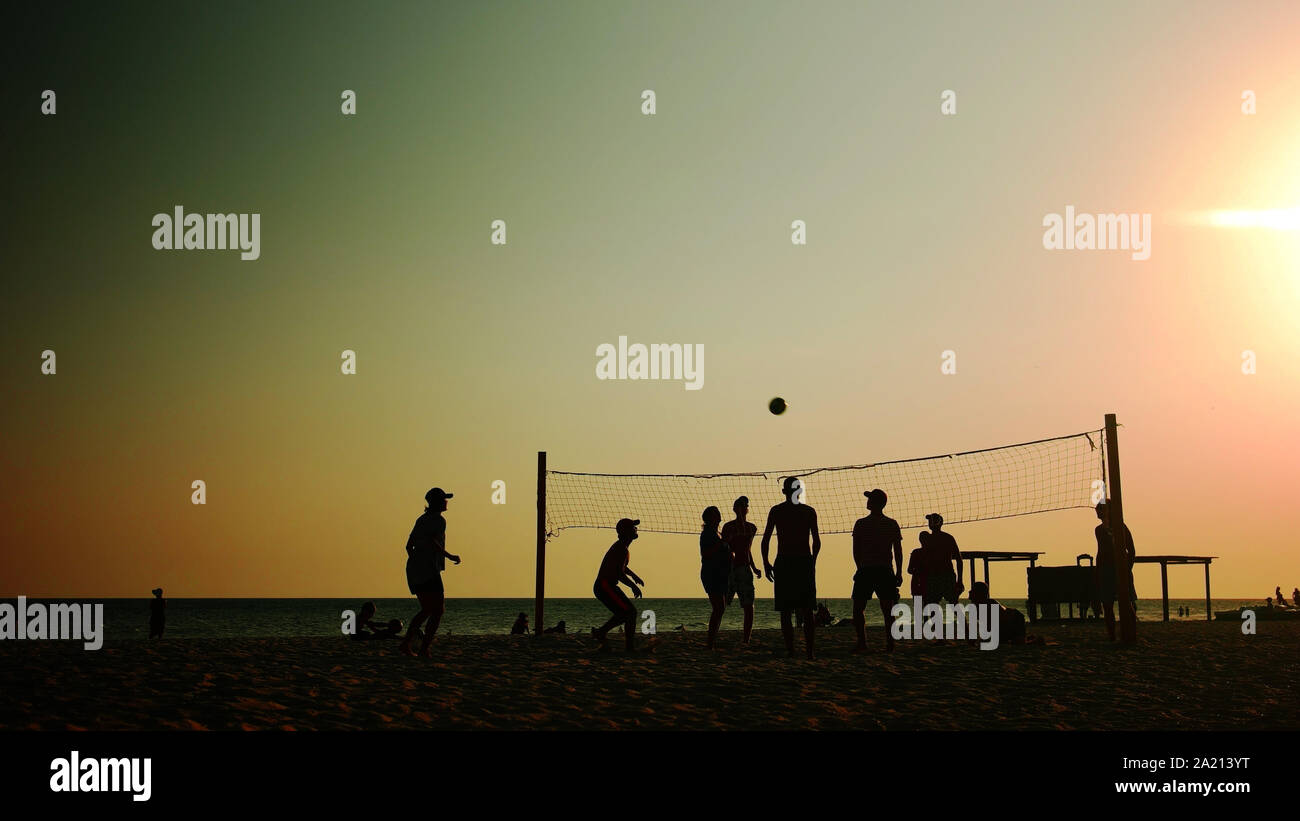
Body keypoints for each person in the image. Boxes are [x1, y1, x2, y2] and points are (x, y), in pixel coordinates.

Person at [761, 476, 821, 659]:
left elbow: (765, 540)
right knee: (805, 609)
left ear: (784, 491)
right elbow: (817, 541)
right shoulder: (808, 511)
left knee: (788, 610)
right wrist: (813, 561)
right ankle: (808, 652)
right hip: (800, 561)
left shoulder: (778, 511)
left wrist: (765, 562)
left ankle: (792, 650)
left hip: (788, 561)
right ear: (799, 491)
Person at [400, 487, 461, 658]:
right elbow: (432, 541)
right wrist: (448, 555)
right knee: (437, 610)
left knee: (427, 609)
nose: (446, 502)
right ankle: (423, 648)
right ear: (437, 502)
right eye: (444, 499)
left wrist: (416, 561)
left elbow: (408, 545)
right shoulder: (438, 520)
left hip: (415, 569)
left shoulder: (422, 519)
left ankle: (406, 644)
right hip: (428, 570)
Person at [851, 489, 903, 653]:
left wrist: (859, 568)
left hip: (869, 569)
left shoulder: (861, 523)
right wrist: (899, 572)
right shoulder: (891, 524)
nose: (867, 501)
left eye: (870, 499)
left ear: (875, 503)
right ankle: (889, 643)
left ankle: (863, 643)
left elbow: (856, 550)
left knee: (859, 608)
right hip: (883, 570)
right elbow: (898, 551)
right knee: (886, 610)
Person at [592, 518, 645, 652]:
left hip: (607, 586)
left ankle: (601, 632)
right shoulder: (621, 548)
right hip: (605, 586)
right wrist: (633, 586)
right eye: (633, 527)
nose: (636, 529)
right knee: (629, 612)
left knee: (625, 613)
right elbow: (619, 572)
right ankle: (628, 647)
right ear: (626, 532)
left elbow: (621, 567)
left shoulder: (622, 547)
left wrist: (634, 576)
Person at [721, 496, 761, 644]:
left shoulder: (752, 528)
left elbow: (747, 550)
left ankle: (746, 639)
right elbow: (724, 548)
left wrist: (754, 567)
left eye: (744, 506)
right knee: (721, 604)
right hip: (730, 569)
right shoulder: (728, 527)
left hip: (744, 569)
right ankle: (713, 636)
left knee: (748, 605)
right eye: (740, 505)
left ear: (746, 509)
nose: (742, 508)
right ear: (735, 509)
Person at [1094, 502, 1136, 642]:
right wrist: (1098, 571)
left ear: (1108, 511)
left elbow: (1131, 550)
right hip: (1106, 572)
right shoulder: (1099, 530)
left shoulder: (1121, 527)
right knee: (1107, 605)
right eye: (1097, 509)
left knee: (1127, 603)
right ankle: (1112, 636)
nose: (1097, 511)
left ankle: (1131, 634)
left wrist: (1127, 568)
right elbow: (1100, 553)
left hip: (1120, 570)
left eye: (1100, 509)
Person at [700, 506, 732, 650]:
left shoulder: (717, 533)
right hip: (711, 573)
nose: (718, 516)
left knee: (721, 608)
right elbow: (706, 554)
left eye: (718, 513)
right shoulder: (707, 534)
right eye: (715, 514)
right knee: (718, 608)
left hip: (722, 573)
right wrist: (722, 543)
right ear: (708, 518)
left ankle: (712, 642)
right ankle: (710, 643)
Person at [921, 513, 964, 607]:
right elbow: (959, 559)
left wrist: (960, 580)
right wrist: (959, 580)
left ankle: (963, 622)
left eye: (931, 521)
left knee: (947, 604)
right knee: (952, 604)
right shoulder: (947, 538)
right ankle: (964, 622)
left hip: (941, 577)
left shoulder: (931, 539)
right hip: (940, 576)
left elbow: (958, 559)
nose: (929, 523)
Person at [907, 533, 930, 599]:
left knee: (918, 608)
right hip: (925, 584)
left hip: (917, 584)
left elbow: (909, 570)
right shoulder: (932, 553)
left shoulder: (915, 552)